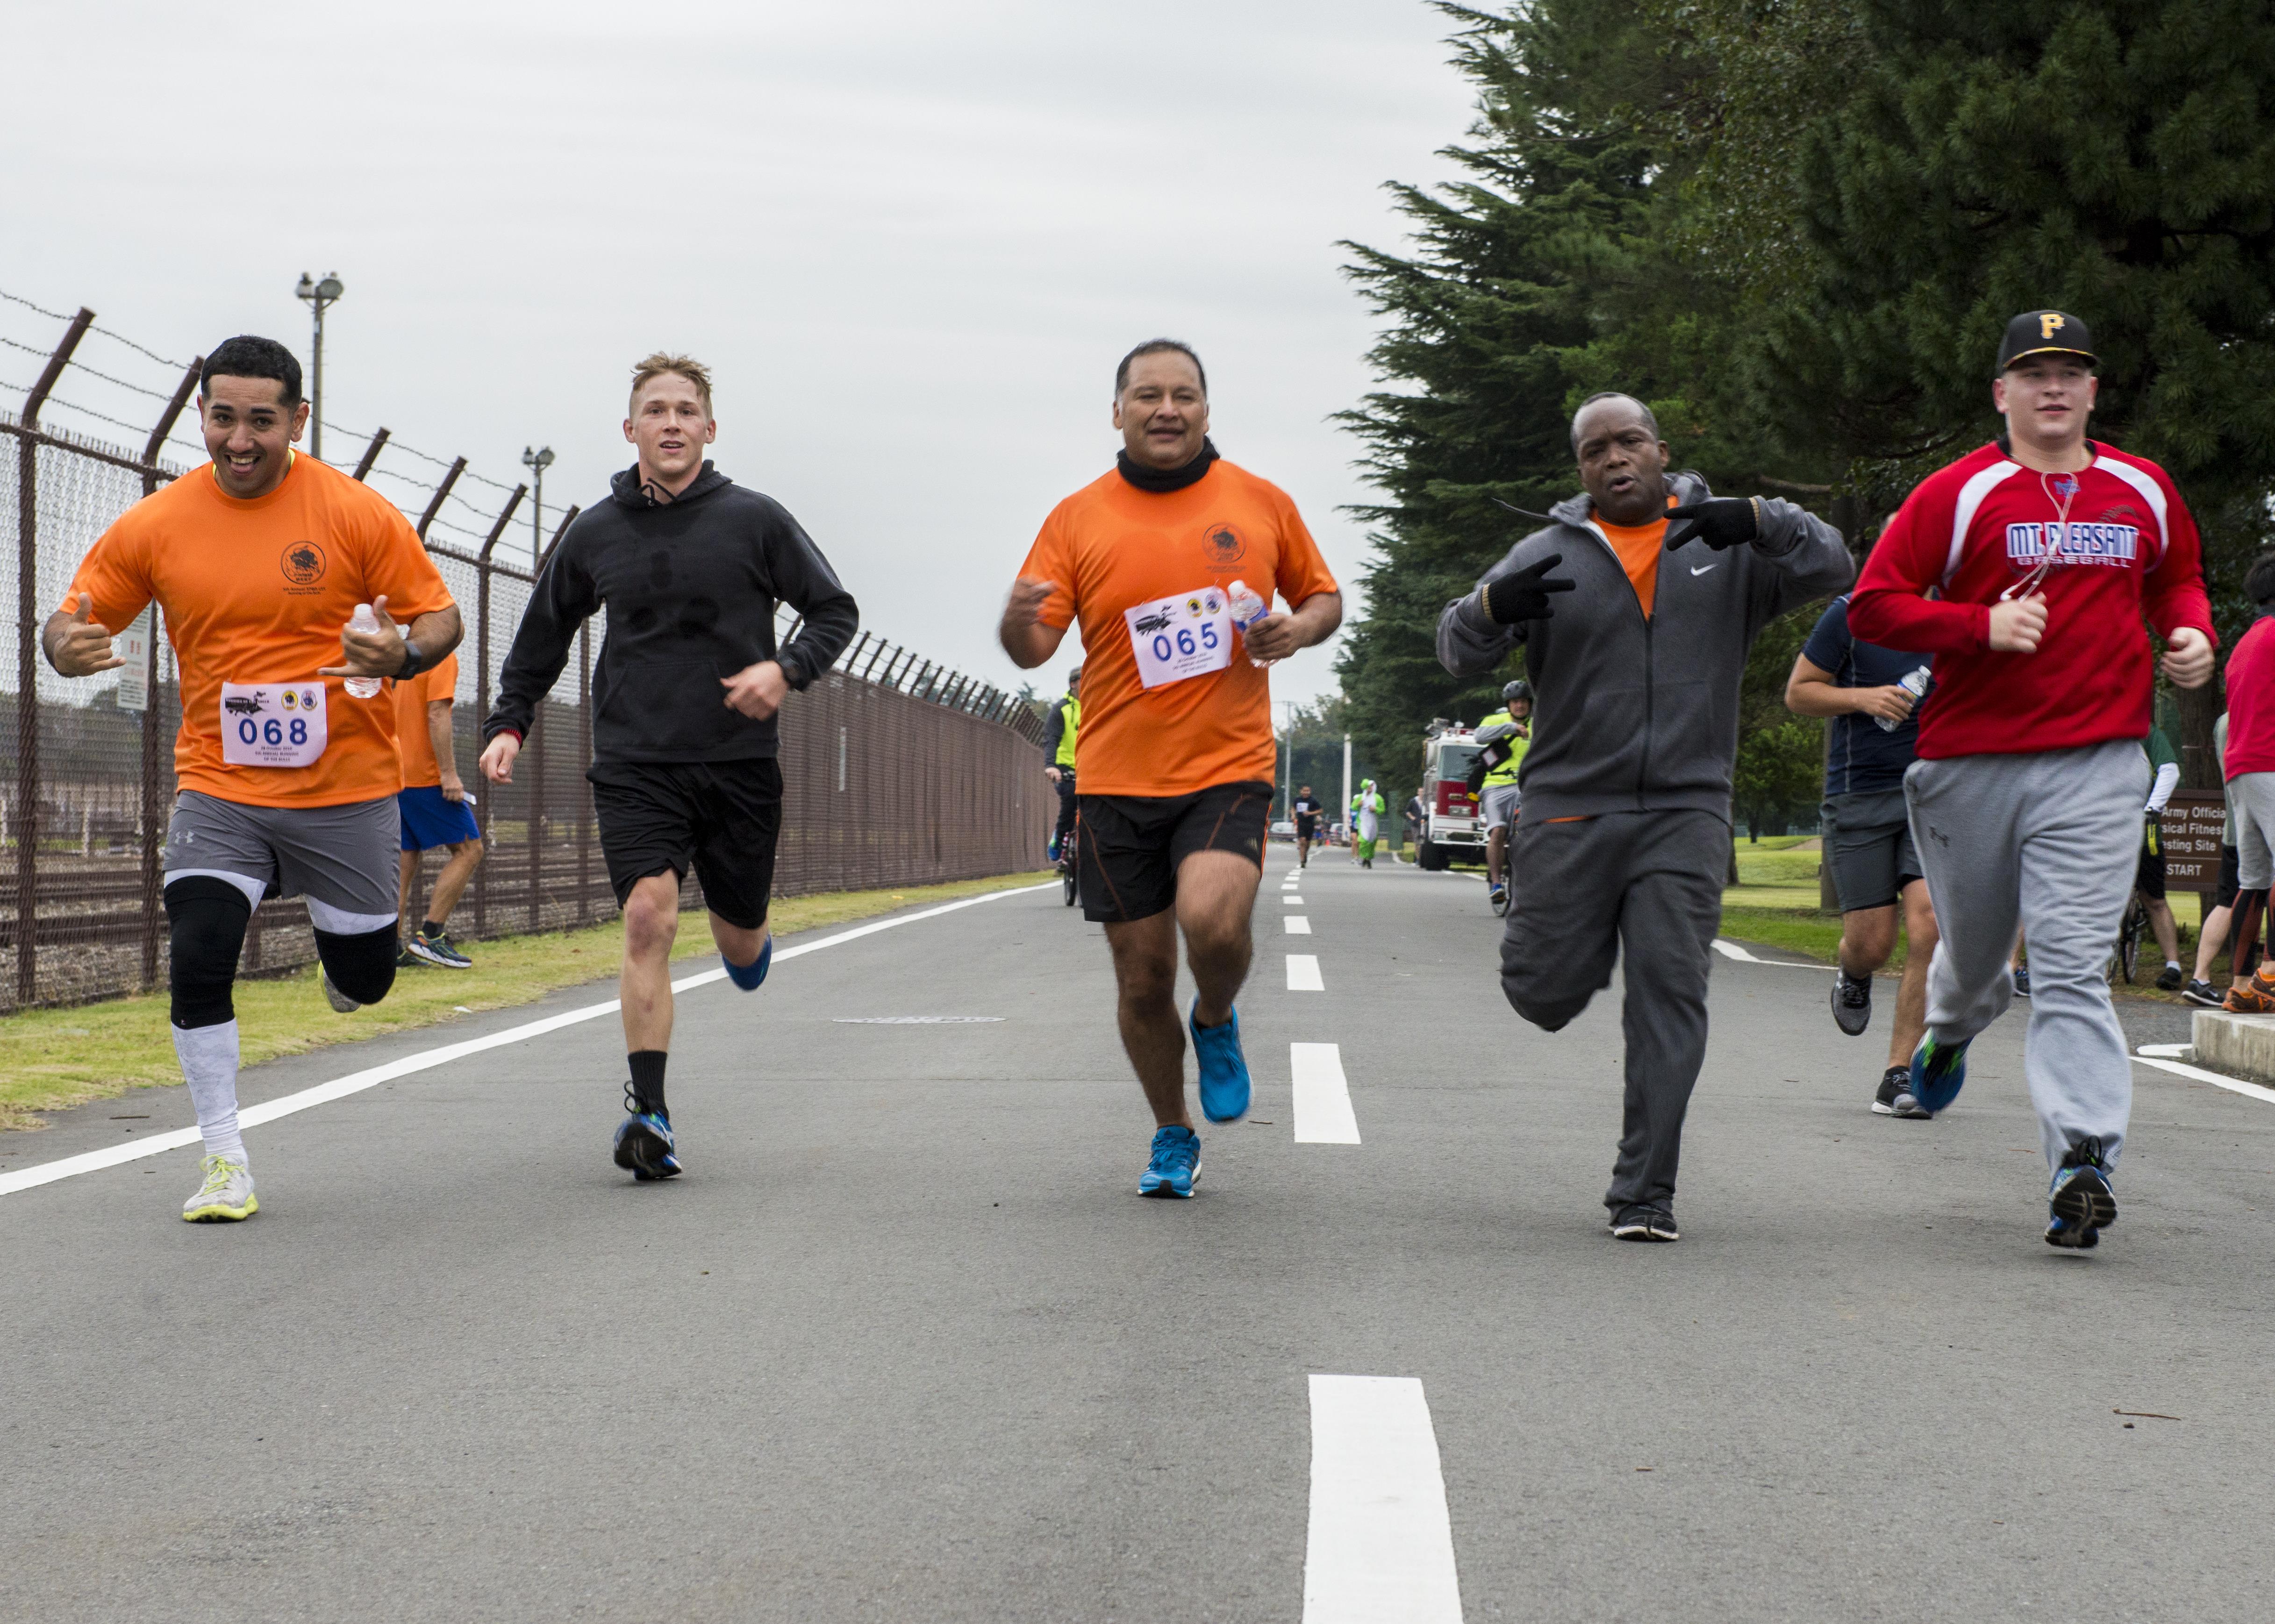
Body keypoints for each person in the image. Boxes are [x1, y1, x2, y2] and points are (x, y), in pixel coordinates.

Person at [43, 335, 462, 1223]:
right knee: (198, 955)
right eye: (222, 417)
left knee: (369, 978)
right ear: (201, 414)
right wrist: (63, 648)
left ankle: (337, 935)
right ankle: (224, 1161)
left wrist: (400, 654)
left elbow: (440, 615)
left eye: (260, 421)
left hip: (346, 789)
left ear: (297, 420)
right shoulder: (158, 522)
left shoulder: (354, 513)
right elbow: (75, 618)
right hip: (220, 784)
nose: (239, 440)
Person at [1438, 390, 1852, 1242]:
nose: (1614, 459)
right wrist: (1487, 610)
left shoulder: (1723, 543)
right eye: (1595, 450)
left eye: (1629, 442)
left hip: (1685, 806)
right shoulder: (1548, 551)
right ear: (1580, 469)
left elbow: (1834, 567)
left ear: (1661, 452)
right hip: (1566, 810)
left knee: (1670, 990)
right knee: (1541, 995)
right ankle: (1571, 951)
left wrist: (1765, 518)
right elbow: (1453, 646)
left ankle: (1645, 1193)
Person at [1848, 310, 2215, 1250]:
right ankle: (1950, 1034)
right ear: (2002, 393)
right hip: (1970, 767)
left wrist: (2190, 636)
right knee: (1973, 967)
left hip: (2096, 765)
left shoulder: (2142, 488)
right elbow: (1875, 601)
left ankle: (2081, 1155)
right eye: (2033, 372)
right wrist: (1977, 627)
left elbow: (2176, 578)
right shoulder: (1958, 493)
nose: (2053, 387)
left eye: (2071, 372)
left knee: (2066, 968)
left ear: (2093, 391)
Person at [479, 353, 858, 1181]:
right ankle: (649, 1113)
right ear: (631, 430)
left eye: (687, 410)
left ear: (710, 429)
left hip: (737, 763)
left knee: (738, 932)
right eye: (656, 410)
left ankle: (748, 940)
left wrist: (783, 670)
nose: (672, 422)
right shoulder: (595, 532)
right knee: (648, 917)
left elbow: (834, 611)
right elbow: (541, 634)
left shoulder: (755, 520)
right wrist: (510, 723)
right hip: (634, 760)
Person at [999, 338, 1341, 1197]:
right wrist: (1015, 622)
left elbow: (1323, 597)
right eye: (1147, 394)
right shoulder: (1077, 516)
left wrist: (1296, 631)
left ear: (1205, 409)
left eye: (1183, 394)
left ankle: (1217, 1015)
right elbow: (1034, 647)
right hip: (1115, 779)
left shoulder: (1260, 503)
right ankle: (1170, 1133)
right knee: (1142, 978)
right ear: (1116, 411)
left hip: (1226, 764)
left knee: (1212, 923)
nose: (1166, 408)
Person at [1783, 591, 1941, 1118]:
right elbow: (1798, 693)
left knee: (1931, 926)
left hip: (1936, 794)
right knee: (1871, 943)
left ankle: (1899, 1074)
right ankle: (1853, 972)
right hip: (1859, 795)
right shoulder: (1850, 613)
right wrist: (1863, 698)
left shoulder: (1960, 615)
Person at [393, 645, 482, 968]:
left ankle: (391, 948)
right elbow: (437, 712)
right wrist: (448, 775)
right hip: (426, 778)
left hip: (398, 773)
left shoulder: (407, 659)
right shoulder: (441, 656)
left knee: (404, 860)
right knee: (470, 850)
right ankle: (431, 936)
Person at [2216, 556, 2275, 1013]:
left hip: (2239, 763)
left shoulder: (2245, 641)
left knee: (2253, 880)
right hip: (2269, 760)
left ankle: (2238, 984)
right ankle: (2270, 972)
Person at [1474, 679, 1533, 912]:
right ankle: (1496, 883)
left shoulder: (1539, 722)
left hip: (1527, 785)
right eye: (1515, 702)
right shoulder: (1496, 720)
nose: (1519, 706)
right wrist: (1511, 728)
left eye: (1523, 702)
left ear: (1530, 703)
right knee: (1497, 831)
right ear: (1509, 704)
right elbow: (1479, 737)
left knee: (1533, 832)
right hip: (1496, 785)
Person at [2136, 724, 2185, 989]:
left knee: (2155, 900)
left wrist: (2152, 809)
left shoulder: (2148, 733)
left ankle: (2173, 965)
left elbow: (2170, 770)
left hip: (2145, 832)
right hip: (2103, 830)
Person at [1044, 666, 1081, 863]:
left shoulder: (1099, 706)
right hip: (1065, 768)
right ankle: (1059, 838)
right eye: (1084, 679)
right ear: (1073, 684)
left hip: (1091, 768)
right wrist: (1051, 766)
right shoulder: (1061, 709)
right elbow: (1051, 739)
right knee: (1070, 800)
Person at [1350, 780, 1385, 867]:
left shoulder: (1378, 798)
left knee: (1372, 841)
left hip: (1373, 823)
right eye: (1369, 786)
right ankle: (1364, 857)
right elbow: (1353, 807)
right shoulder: (1361, 797)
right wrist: (1359, 805)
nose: (1370, 788)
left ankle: (1368, 858)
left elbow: (1382, 810)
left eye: (1372, 786)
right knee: (1364, 840)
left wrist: (1375, 810)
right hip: (1363, 822)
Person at [1291, 783, 1324, 868]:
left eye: (1308, 791)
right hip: (1301, 823)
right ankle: (1302, 861)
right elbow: (1293, 808)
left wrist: (1311, 813)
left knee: (1308, 843)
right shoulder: (1297, 800)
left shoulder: (1313, 801)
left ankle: (1305, 855)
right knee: (1302, 841)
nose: (1306, 793)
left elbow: (1320, 811)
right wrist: (1293, 815)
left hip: (1310, 824)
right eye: (1304, 791)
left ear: (1310, 791)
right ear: (1301, 791)